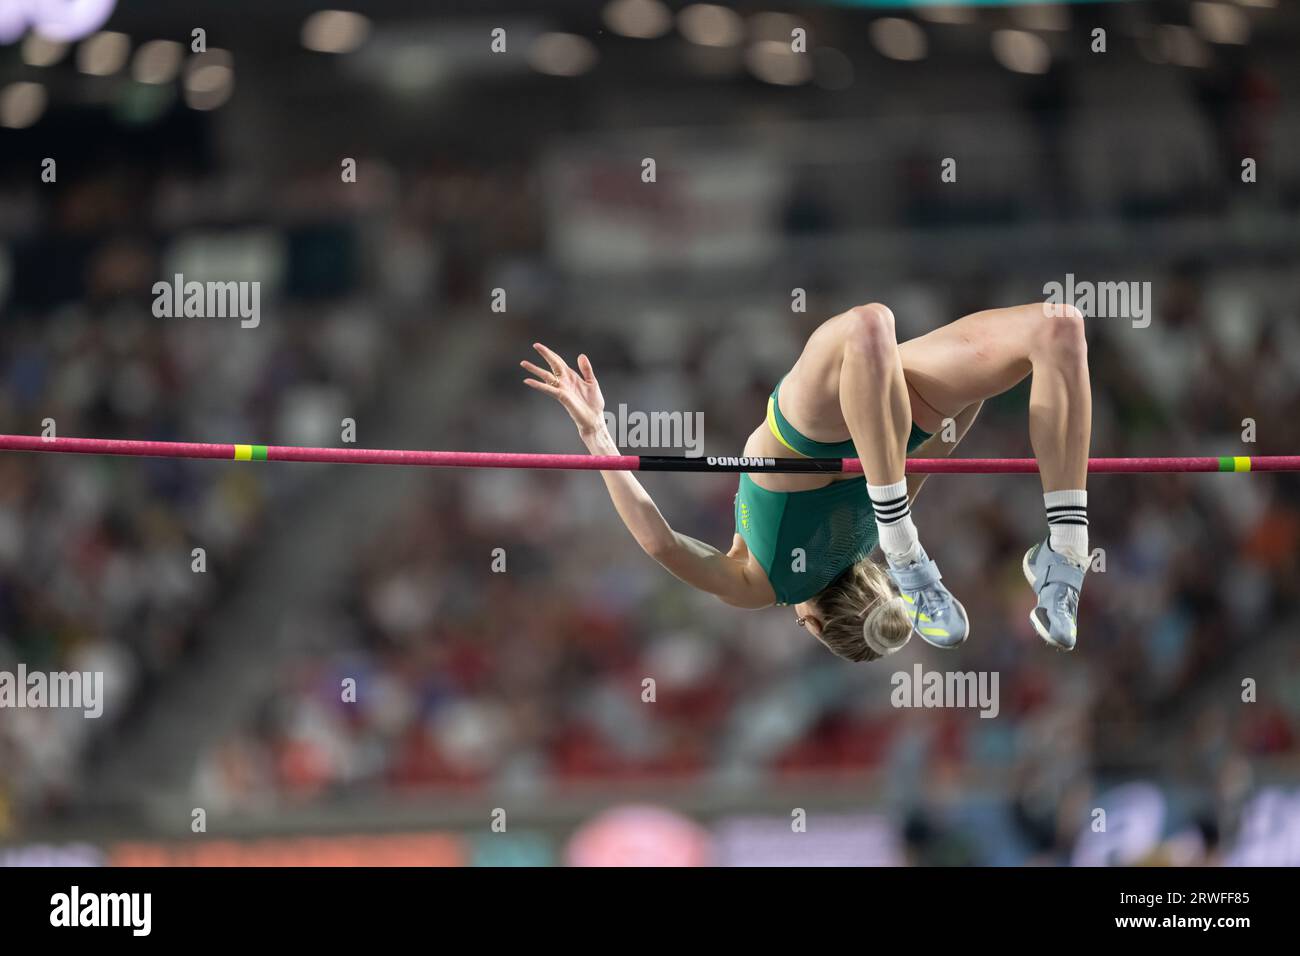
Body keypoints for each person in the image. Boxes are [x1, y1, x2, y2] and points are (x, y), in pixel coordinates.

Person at [522, 300, 1091, 662]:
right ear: (814, 627)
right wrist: (597, 435)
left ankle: (1054, 550)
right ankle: (1062, 546)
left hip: (888, 422)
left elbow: (950, 430)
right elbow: (660, 542)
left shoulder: (840, 549)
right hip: (824, 433)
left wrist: (970, 389)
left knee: (1058, 328)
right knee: (870, 325)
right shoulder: (763, 588)